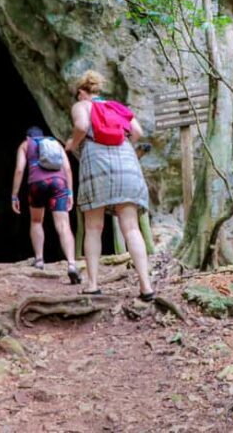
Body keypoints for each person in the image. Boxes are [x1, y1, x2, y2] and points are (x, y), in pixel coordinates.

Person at [65, 70, 155, 301]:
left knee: (94, 227)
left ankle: (93, 284)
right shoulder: (116, 106)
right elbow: (138, 132)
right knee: (131, 227)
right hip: (126, 160)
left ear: (81, 92)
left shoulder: (82, 106)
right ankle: (146, 287)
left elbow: (83, 126)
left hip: (96, 161)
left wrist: (72, 144)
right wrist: (121, 145)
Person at [11, 126, 81, 284]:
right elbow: (68, 169)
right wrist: (70, 193)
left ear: (28, 136)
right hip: (59, 183)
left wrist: (14, 196)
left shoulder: (25, 144)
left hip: (37, 184)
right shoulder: (54, 142)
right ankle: (71, 264)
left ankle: (40, 260)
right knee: (63, 225)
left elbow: (19, 170)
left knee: (36, 221)